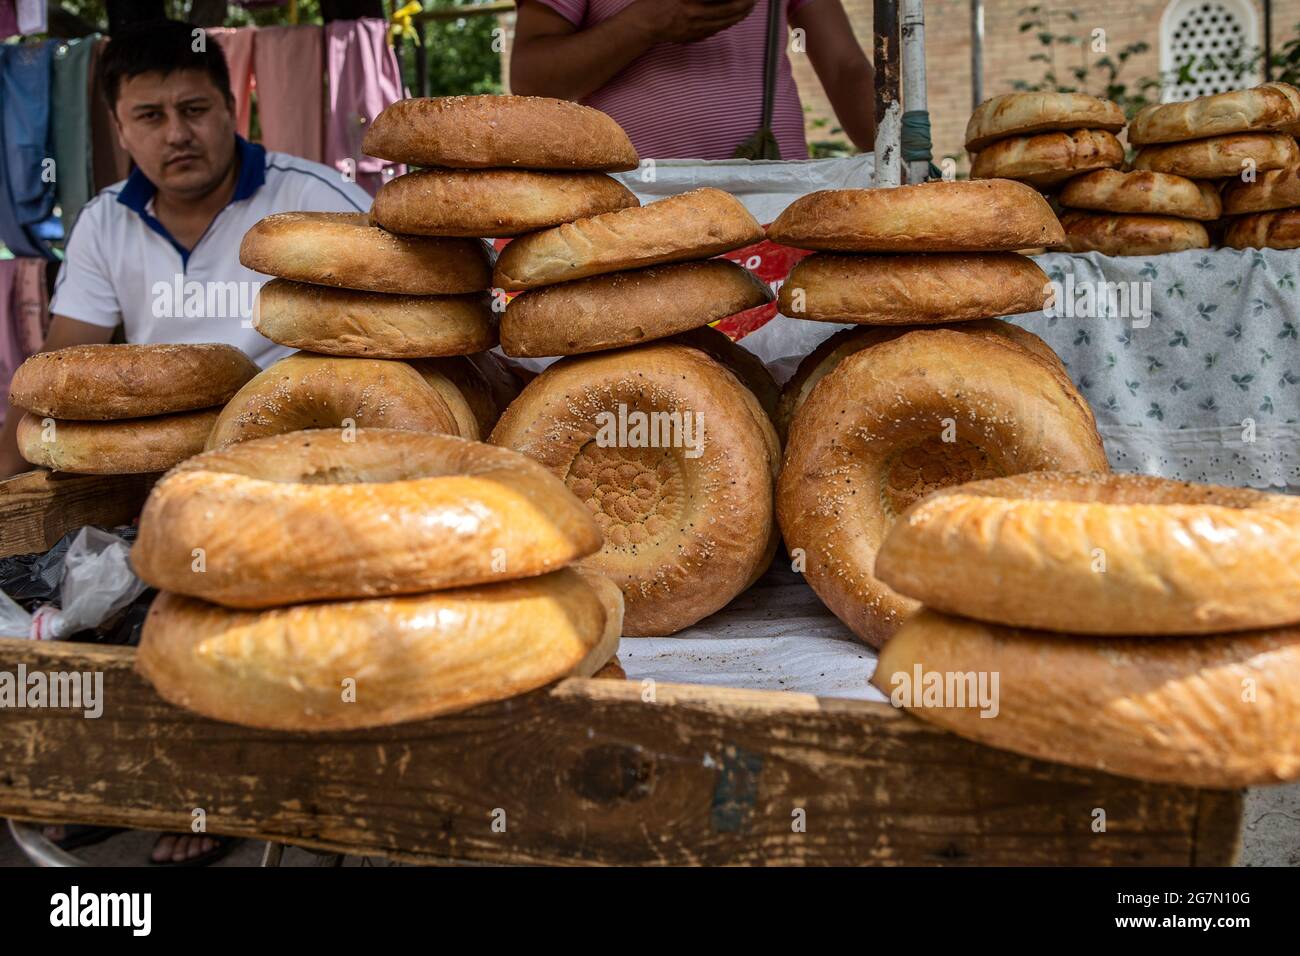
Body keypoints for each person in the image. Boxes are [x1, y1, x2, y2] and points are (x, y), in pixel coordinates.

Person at [0, 19, 371, 864]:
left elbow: (415, 320)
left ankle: (215, 790)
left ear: (231, 101)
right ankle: (111, 772)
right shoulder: (104, 222)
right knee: (72, 587)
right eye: (151, 116)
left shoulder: (312, 196)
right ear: (118, 124)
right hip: (162, 477)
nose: (177, 134)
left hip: (307, 463)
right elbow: (63, 379)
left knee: (201, 599)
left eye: (196, 108)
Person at [509, 0, 876, 160]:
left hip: (773, 200)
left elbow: (845, 67)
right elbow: (531, 77)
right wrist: (646, 23)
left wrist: (908, 159)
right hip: (634, 208)